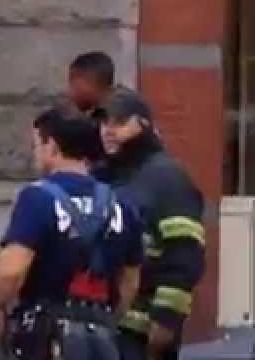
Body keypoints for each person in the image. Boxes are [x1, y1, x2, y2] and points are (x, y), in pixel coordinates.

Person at [0, 104, 143, 360]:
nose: (34, 154)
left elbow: (11, 271)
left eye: (37, 145)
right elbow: (130, 281)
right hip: (100, 336)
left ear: (53, 147)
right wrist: (108, 319)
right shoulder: (122, 205)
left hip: (47, 335)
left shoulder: (37, 198)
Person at [94, 88, 205, 360]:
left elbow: (185, 253)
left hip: (140, 333)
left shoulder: (167, 178)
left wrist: (166, 320)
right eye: (104, 123)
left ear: (143, 125)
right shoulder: (106, 176)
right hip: (104, 326)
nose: (108, 130)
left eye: (119, 123)